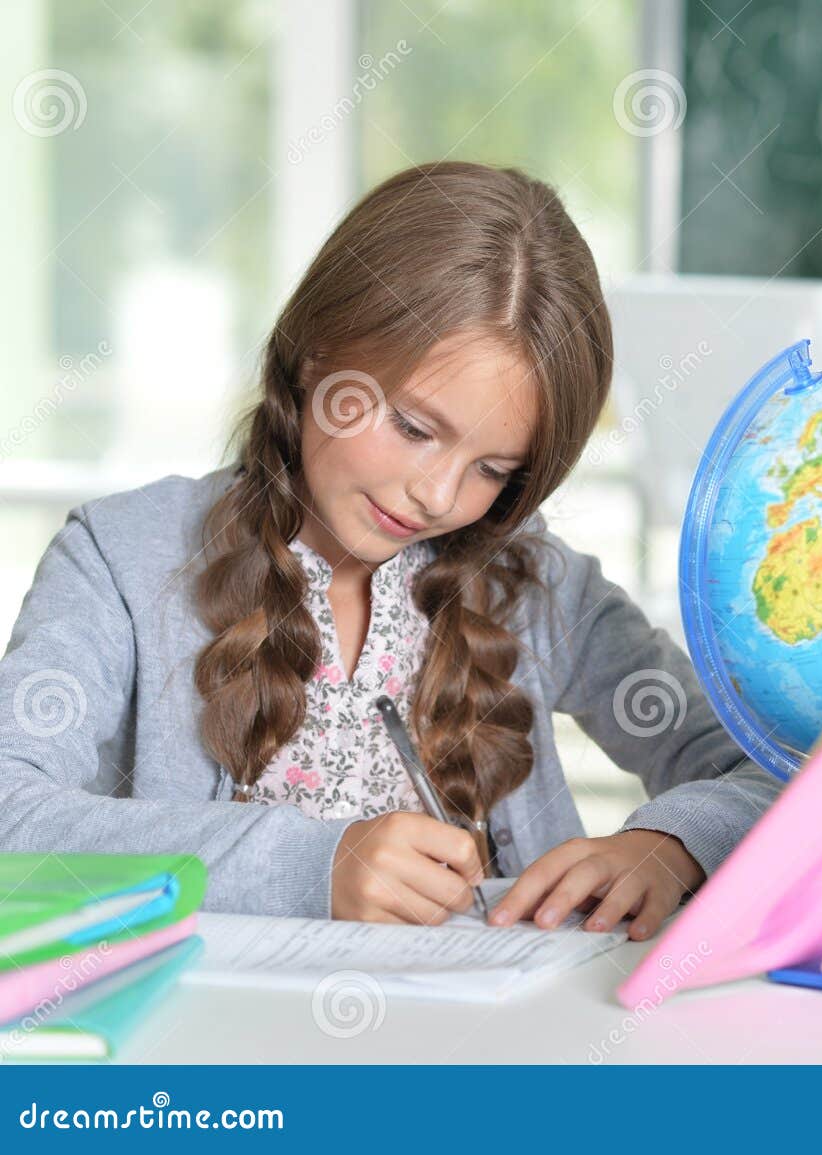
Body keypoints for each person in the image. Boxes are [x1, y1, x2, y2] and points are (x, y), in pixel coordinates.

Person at [0, 162, 780, 936]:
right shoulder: (119, 558)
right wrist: (313, 866)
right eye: (412, 427)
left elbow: (769, 768)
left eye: (492, 470)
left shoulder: (536, 586)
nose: (439, 497)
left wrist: (674, 842)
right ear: (315, 353)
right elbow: (11, 814)